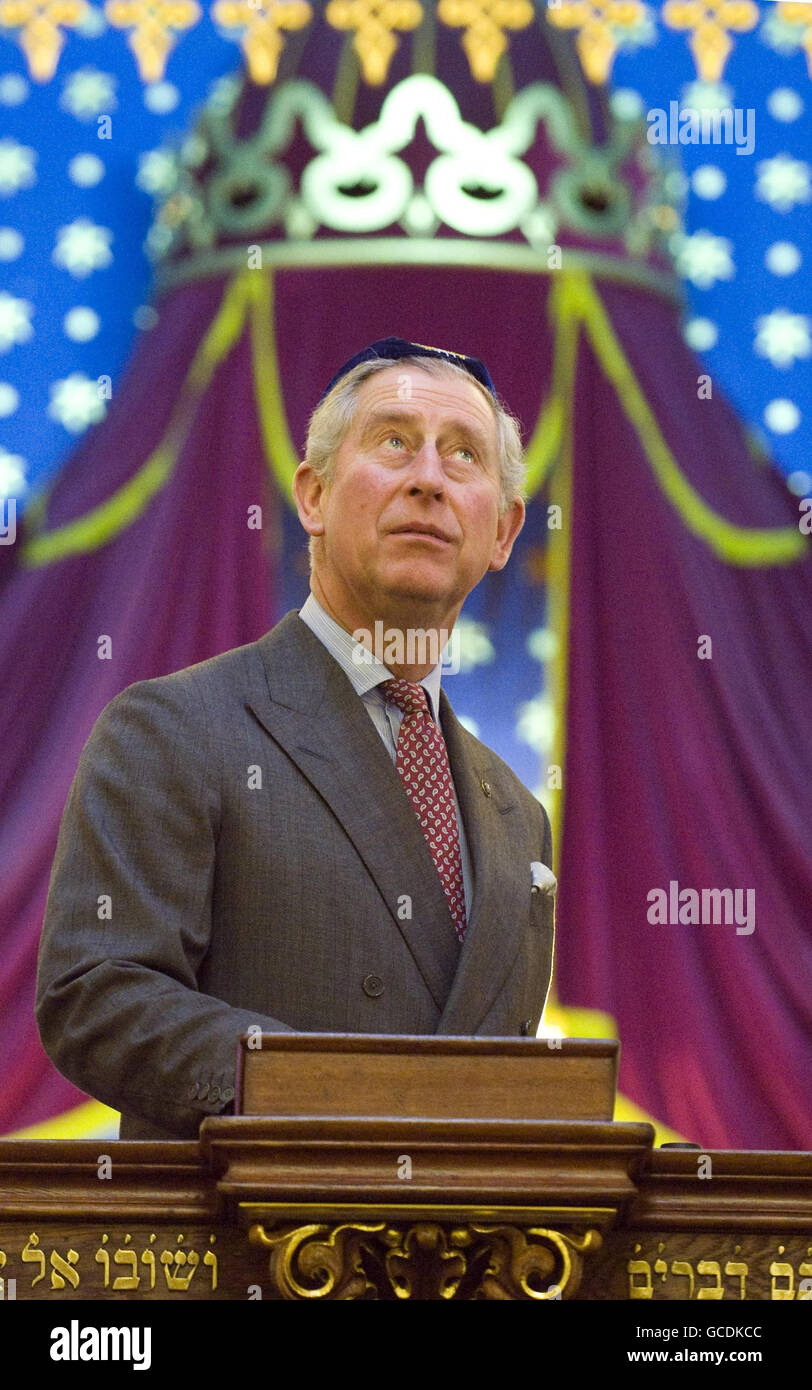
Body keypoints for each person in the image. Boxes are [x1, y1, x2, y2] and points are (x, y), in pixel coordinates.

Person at [35, 337, 556, 1141]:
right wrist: (332, 1093)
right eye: (393, 442)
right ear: (311, 496)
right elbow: (99, 996)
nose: (428, 477)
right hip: (246, 1257)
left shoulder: (520, 817)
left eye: (463, 456)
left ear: (504, 532)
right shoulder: (173, 730)